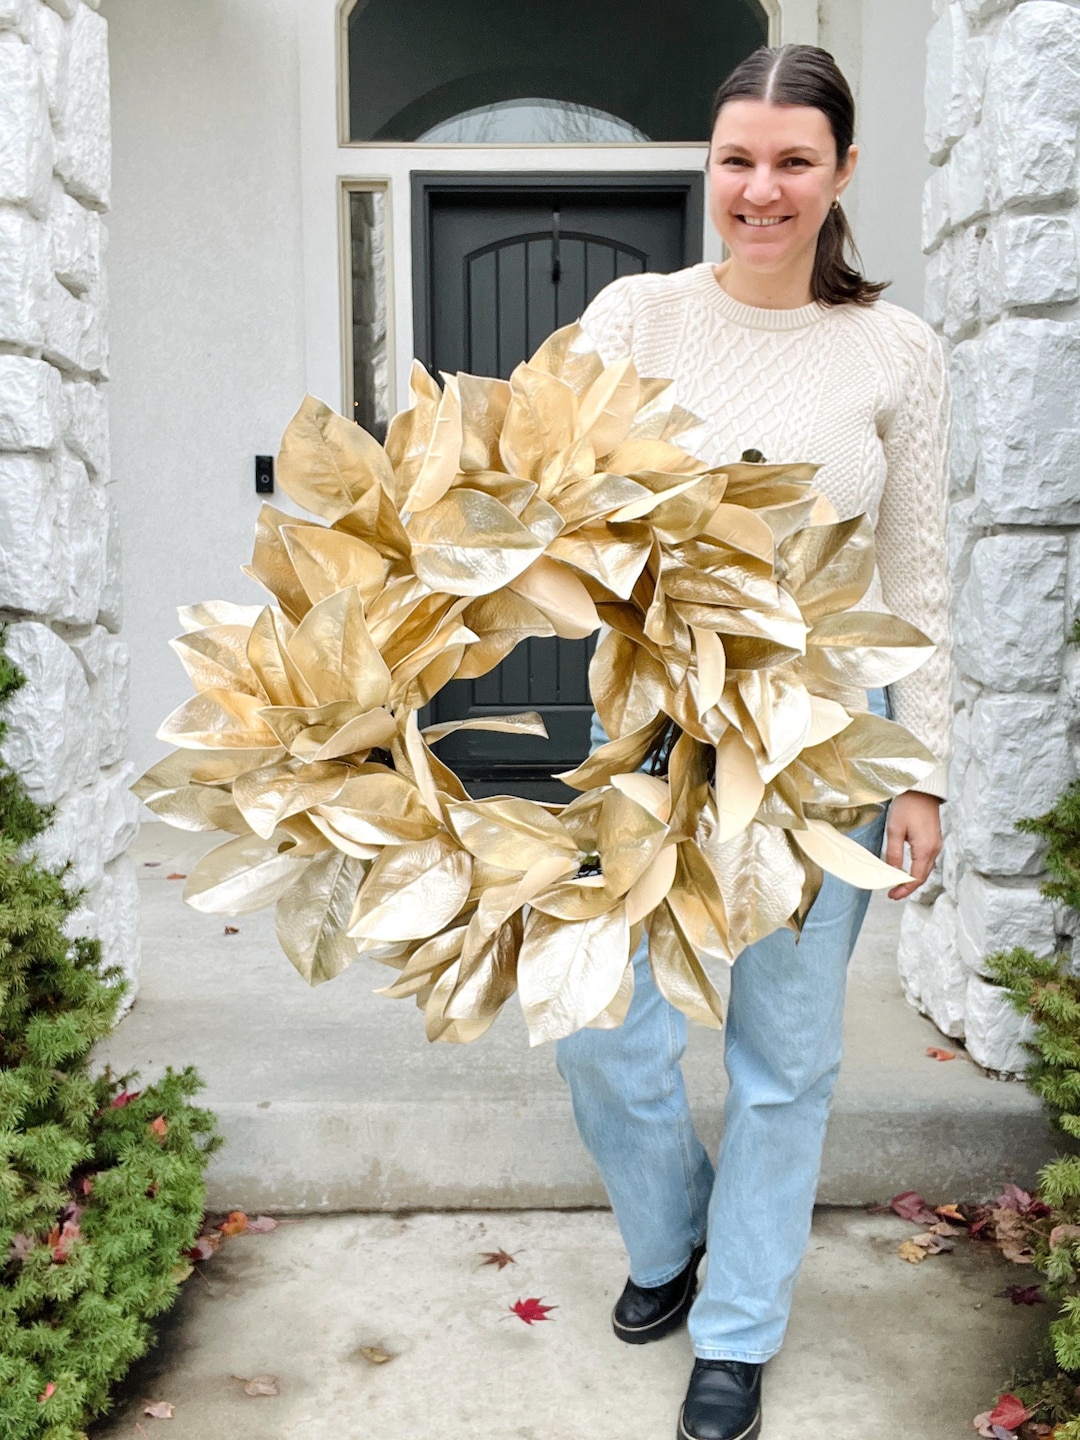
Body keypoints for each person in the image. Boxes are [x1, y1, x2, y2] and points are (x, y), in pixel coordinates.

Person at [554, 43, 950, 1440]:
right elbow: (542, 491)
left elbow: (920, 580)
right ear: (707, 167)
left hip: (832, 735)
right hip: (654, 717)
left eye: (793, 161)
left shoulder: (895, 350)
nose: (761, 188)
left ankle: (737, 1328)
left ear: (843, 172)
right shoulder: (635, 319)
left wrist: (923, 772)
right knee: (604, 1019)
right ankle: (672, 1240)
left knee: (788, 1052)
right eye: (737, 159)